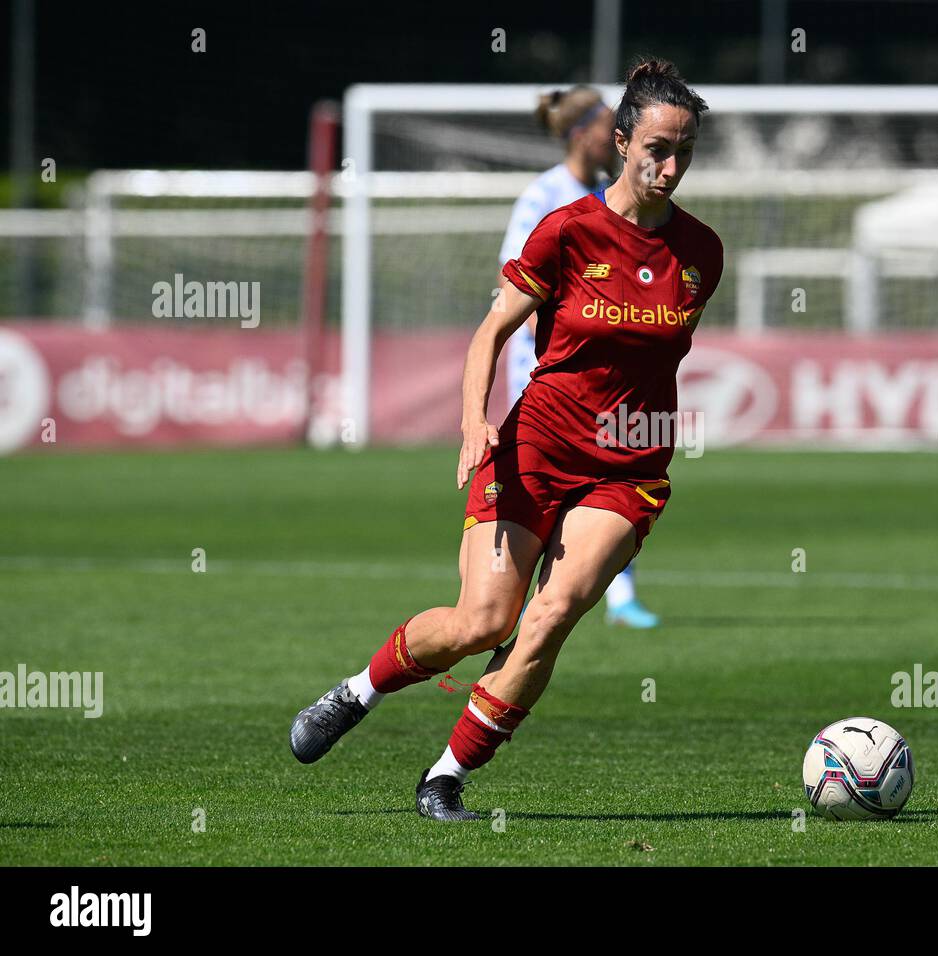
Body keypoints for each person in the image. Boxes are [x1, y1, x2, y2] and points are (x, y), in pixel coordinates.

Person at [290, 57, 724, 818]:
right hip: (536, 447)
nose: (671, 165)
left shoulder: (701, 253)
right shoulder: (567, 230)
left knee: (552, 615)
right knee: (483, 622)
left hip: (630, 464)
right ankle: (358, 691)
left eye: (684, 149)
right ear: (621, 140)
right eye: (657, 147)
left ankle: (446, 775)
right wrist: (473, 422)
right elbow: (492, 331)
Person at [499, 85, 661, 628]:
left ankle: (617, 594)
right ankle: (520, 604)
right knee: (558, 489)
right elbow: (513, 289)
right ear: (582, 133)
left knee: (619, 472)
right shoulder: (544, 197)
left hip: (608, 378)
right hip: (545, 374)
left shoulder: (612, 196)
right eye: (608, 127)